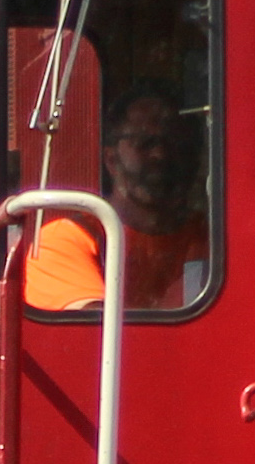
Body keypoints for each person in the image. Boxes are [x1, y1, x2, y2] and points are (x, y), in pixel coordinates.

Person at [25, 88, 210, 312]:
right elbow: (92, 333)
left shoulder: (213, 239)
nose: (160, 155)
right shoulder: (66, 239)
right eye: (144, 142)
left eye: (175, 143)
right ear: (111, 159)